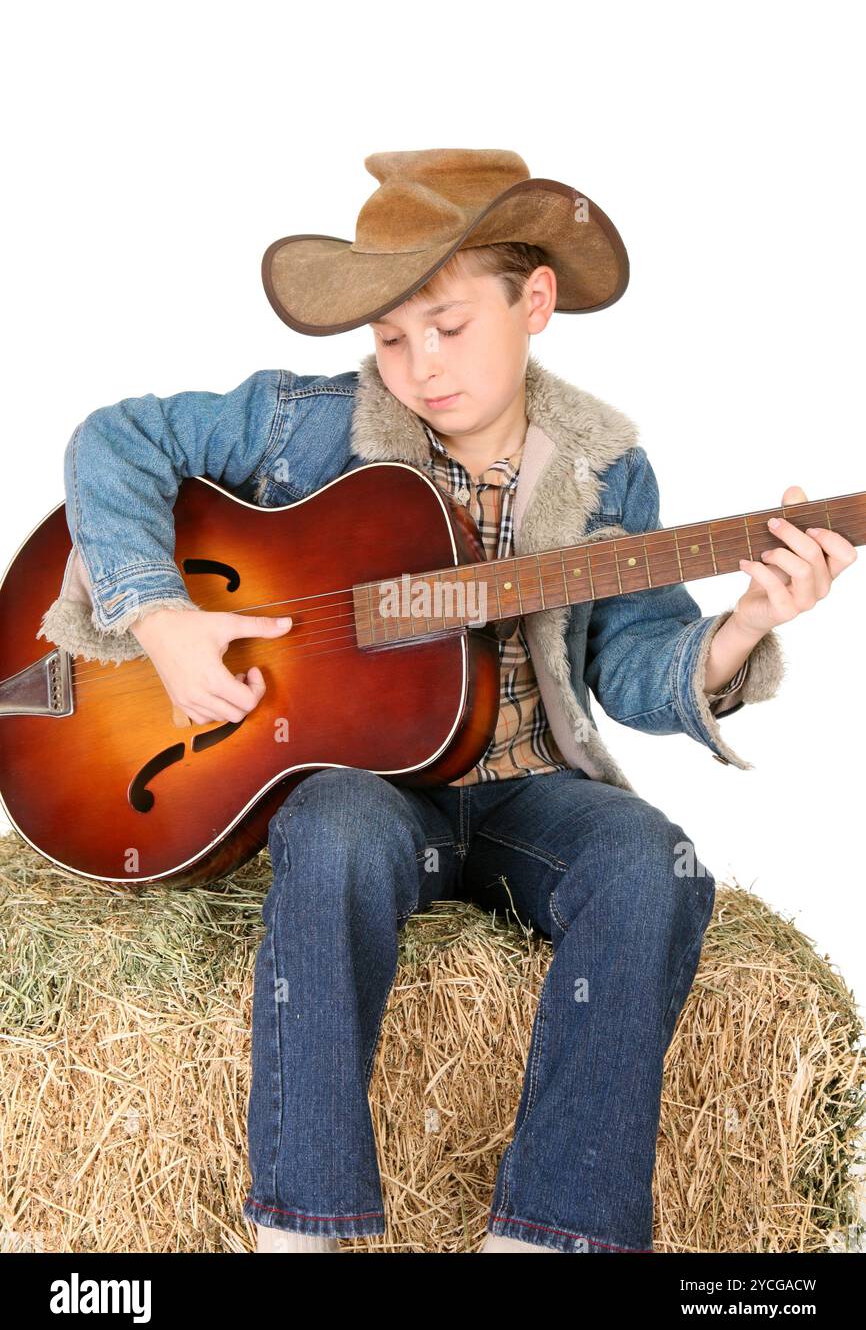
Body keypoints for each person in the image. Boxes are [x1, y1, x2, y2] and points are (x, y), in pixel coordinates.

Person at [38, 149, 858, 1253]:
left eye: (449, 325)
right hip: (376, 793)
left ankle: (548, 1230)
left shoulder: (607, 469)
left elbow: (630, 658)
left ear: (535, 301)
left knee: (650, 866)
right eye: (388, 336)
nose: (417, 364)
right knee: (324, 827)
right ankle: (303, 1220)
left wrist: (743, 627)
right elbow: (113, 440)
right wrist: (158, 615)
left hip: (529, 796)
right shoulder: (303, 423)